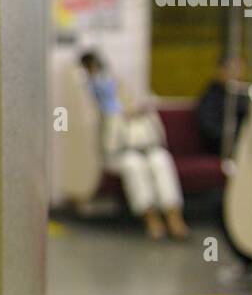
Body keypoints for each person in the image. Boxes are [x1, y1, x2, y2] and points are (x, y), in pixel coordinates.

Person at [80, 50, 188, 240]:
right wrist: (114, 115)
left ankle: (173, 216)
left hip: (145, 145)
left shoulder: (120, 86)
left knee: (161, 160)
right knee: (133, 165)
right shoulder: (87, 93)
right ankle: (151, 218)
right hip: (118, 150)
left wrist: (133, 110)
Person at [196, 54, 250, 156]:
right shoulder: (211, 96)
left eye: (241, 70)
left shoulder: (244, 94)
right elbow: (209, 129)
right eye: (234, 70)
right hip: (221, 147)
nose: (238, 75)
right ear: (221, 71)